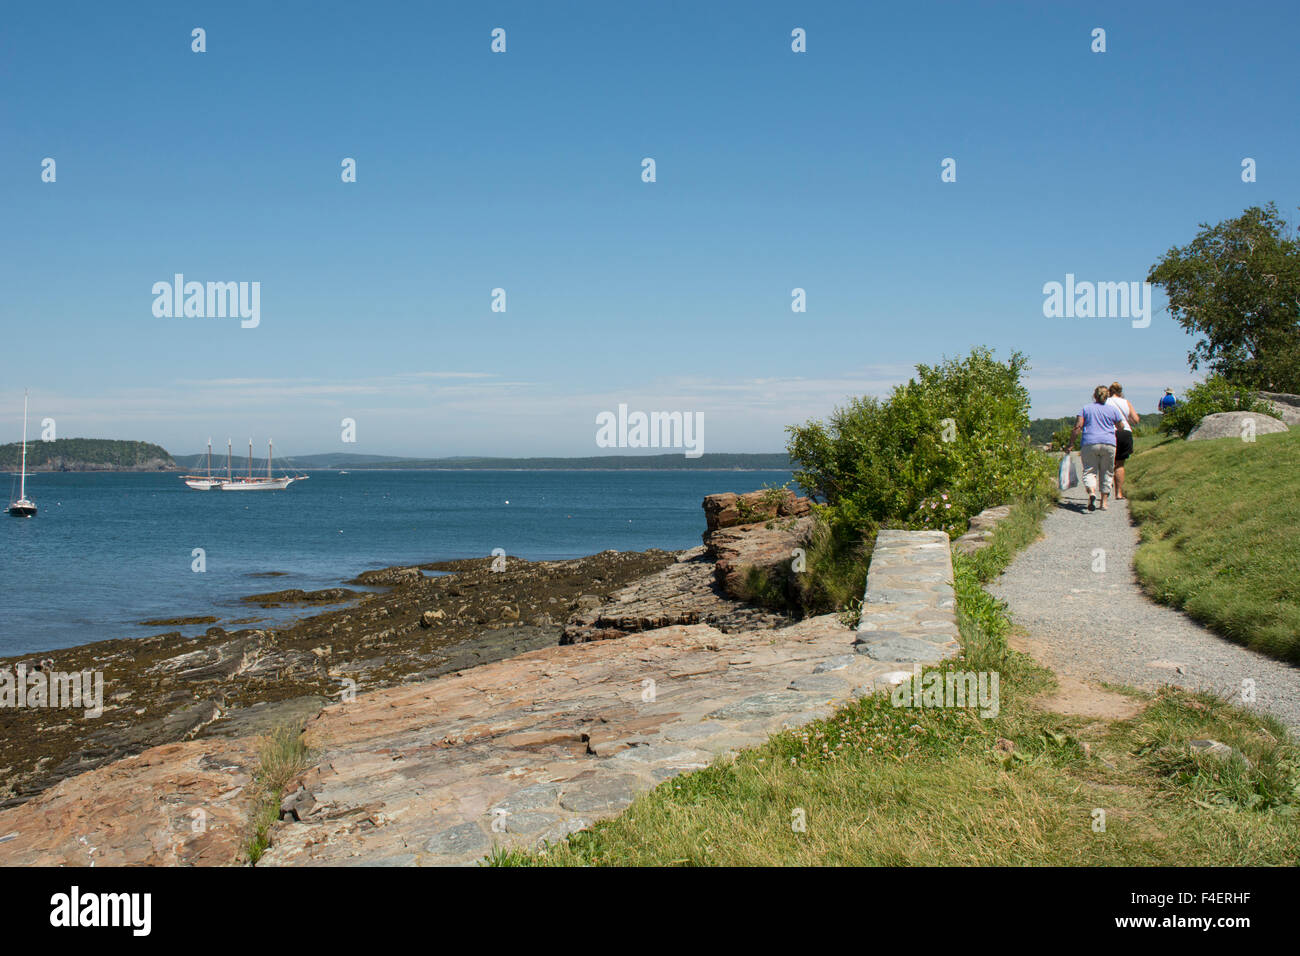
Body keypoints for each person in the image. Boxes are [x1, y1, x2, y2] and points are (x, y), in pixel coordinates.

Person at [1069, 385, 1126, 511]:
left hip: (1090, 443)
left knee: (1089, 471)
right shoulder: (1113, 410)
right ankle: (1104, 503)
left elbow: (1077, 427)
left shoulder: (1085, 409)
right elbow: (1121, 426)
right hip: (1108, 443)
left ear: (1094, 396)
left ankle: (1092, 493)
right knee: (1107, 472)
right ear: (1107, 396)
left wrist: (1071, 444)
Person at [1106, 382, 1140, 500]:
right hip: (1125, 432)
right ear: (1120, 392)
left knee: (1107, 462)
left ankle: (1106, 487)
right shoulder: (1126, 402)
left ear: (1109, 391)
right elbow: (1135, 420)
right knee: (1120, 464)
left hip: (1110, 432)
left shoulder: (1106, 402)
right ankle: (1119, 493)